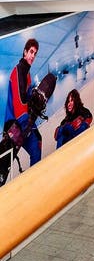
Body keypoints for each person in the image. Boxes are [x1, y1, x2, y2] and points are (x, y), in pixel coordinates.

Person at [4, 37, 41, 166]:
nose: (33, 56)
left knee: (37, 143)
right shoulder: (18, 70)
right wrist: (26, 124)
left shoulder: (27, 74)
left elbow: (27, 99)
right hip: (14, 123)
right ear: (25, 52)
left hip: (23, 122)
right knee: (4, 165)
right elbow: (19, 101)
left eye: (35, 53)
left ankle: (35, 176)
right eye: (31, 52)